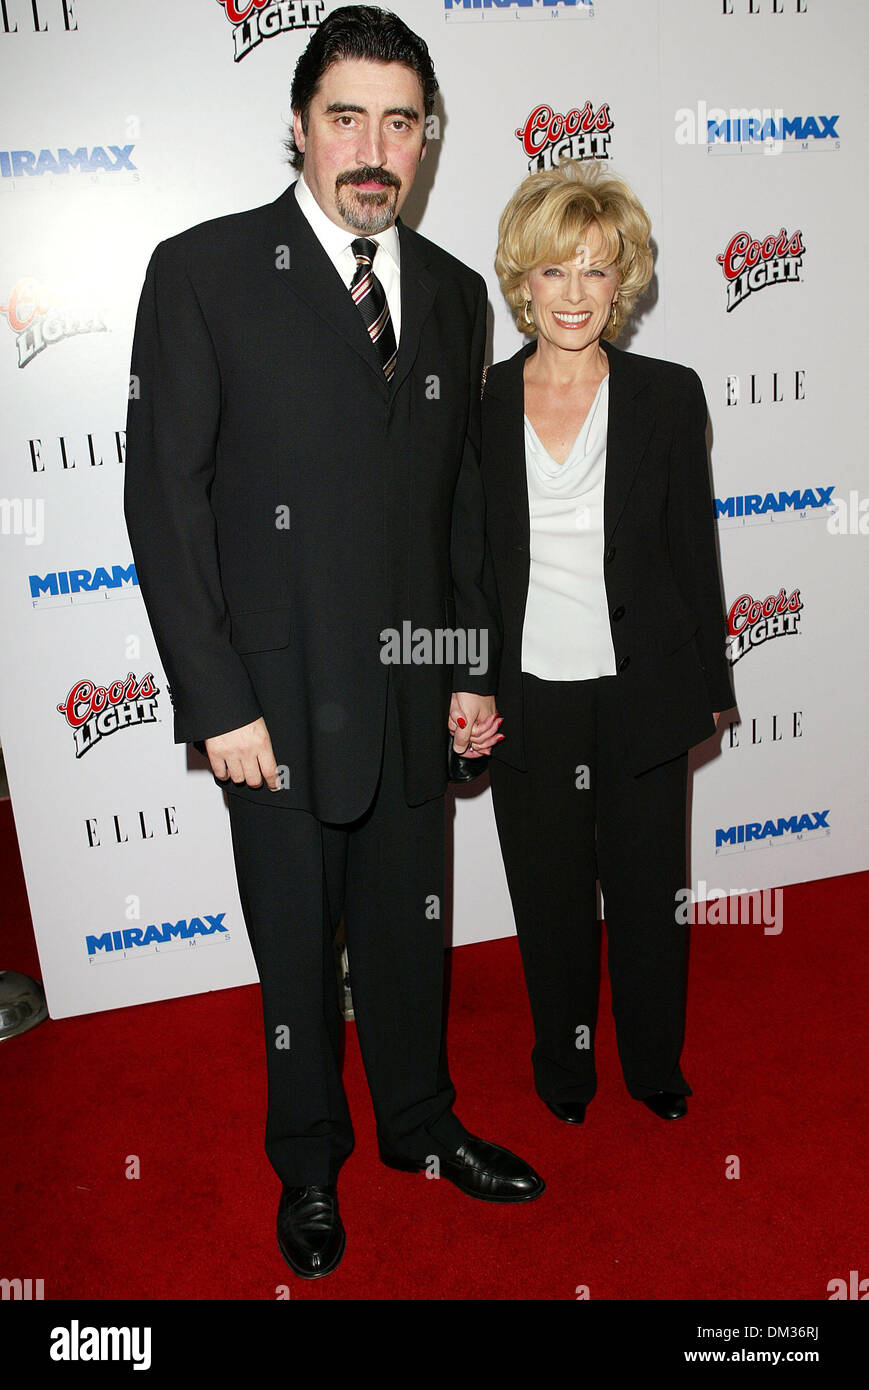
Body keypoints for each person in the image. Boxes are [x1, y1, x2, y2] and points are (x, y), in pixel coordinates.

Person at [124, 5, 543, 1283]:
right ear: (297, 126)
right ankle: (308, 1167)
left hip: (417, 691)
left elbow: (462, 498)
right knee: (296, 953)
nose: (374, 147)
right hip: (276, 702)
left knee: (412, 931)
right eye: (347, 116)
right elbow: (163, 498)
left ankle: (420, 1124)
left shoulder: (460, 295)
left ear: (426, 141)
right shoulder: (200, 271)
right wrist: (216, 699)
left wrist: (470, 664)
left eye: (400, 122)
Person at [473, 159, 735, 1128]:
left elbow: (688, 547)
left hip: (642, 688)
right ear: (521, 280)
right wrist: (464, 683)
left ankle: (654, 1063)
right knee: (548, 902)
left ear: (621, 282)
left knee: (645, 894)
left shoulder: (668, 395)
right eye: (553, 271)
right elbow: (466, 564)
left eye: (594, 270)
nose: (573, 294)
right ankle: (563, 1069)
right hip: (528, 691)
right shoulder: (480, 403)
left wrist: (708, 685)